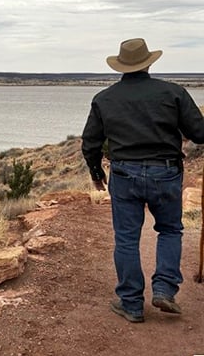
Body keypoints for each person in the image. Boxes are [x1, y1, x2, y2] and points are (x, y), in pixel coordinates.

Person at [82, 38, 204, 323]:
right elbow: (199, 133)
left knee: (126, 239)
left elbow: (90, 143)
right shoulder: (173, 93)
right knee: (170, 230)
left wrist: (96, 172)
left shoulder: (104, 98)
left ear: (121, 66)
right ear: (148, 63)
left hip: (124, 175)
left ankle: (131, 304)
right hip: (166, 172)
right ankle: (164, 289)